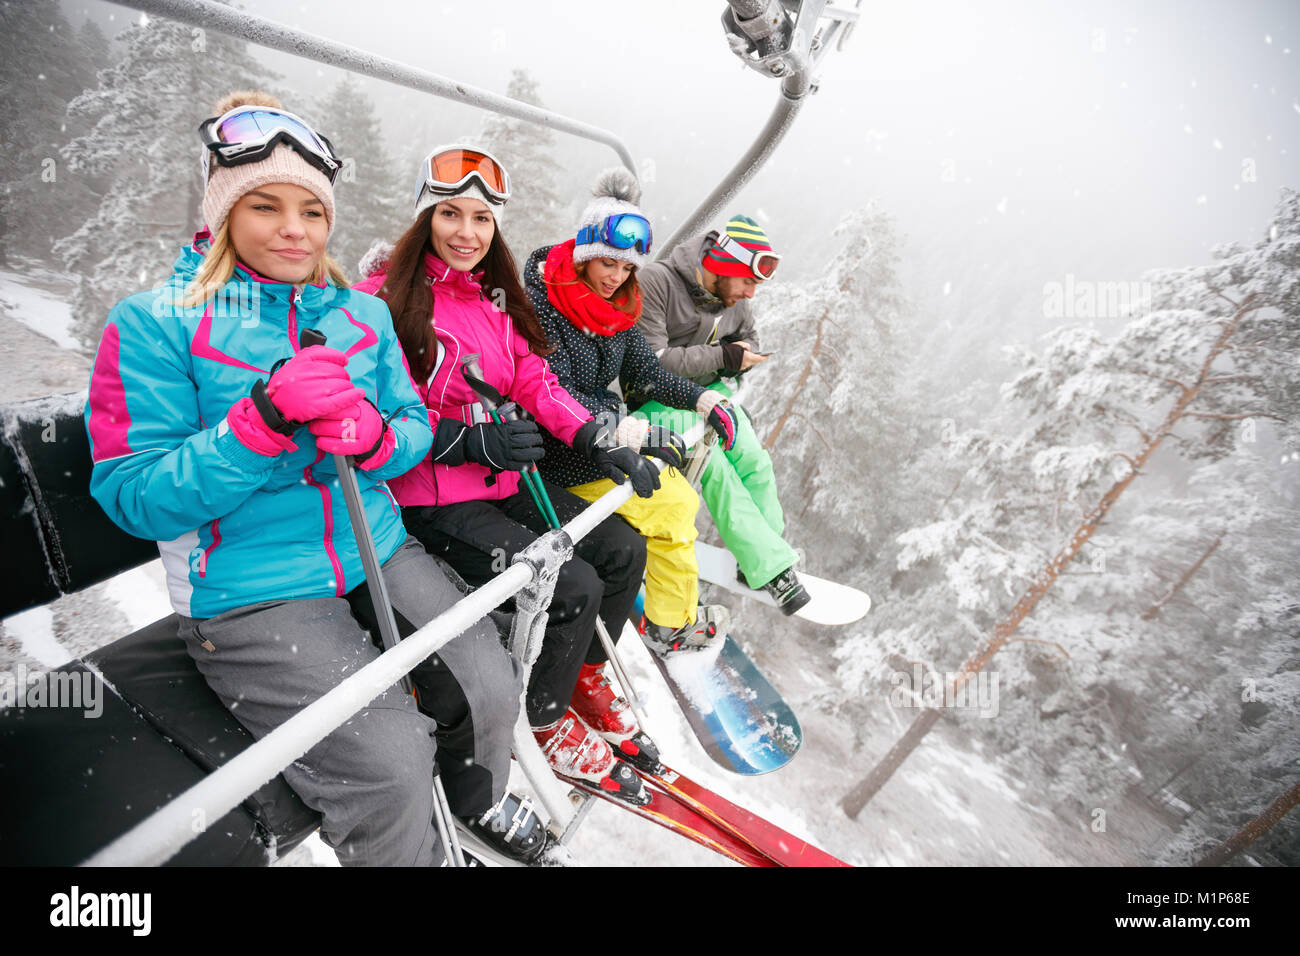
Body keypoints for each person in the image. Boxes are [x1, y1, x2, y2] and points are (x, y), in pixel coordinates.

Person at [83, 93, 528, 866]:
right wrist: (256, 426)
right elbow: (134, 492)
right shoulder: (157, 323)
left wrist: (375, 437)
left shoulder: (361, 316)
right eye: (265, 206)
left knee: (489, 684)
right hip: (248, 585)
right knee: (387, 762)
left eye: (312, 212)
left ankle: (471, 816)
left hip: (376, 545)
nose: (294, 229)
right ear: (223, 211)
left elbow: (412, 429)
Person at [353, 145, 662, 802]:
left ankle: (577, 674)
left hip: (501, 485)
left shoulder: (493, 298)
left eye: (482, 219)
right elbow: (367, 423)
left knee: (621, 547)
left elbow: (534, 377)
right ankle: (542, 717)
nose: (467, 232)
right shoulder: (381, 302)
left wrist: (596, 437)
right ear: (423, 218)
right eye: (450, 214)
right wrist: (465, 442)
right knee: (568, 580)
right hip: (427, 503)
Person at [523, 168, 741, 654]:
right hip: (563, 454)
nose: (616, 278)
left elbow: (646, 372)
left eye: (626, 269)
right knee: (673, 508)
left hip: (605, 443)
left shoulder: (615, 310)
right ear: (584, 254)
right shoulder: (543, 307)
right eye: (607, 264)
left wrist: (702, 398)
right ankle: (673, 626)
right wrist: (624, 432)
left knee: (678, 501)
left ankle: (669, 612)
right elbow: (549, 392)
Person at [634, 214, 809, 615]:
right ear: (723, 266)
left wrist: (735, 358)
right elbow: (654, 363)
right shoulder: (658, 283)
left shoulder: (736, 302)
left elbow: (748, 338)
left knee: (753, 458)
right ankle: (772, 567)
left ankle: (766, 548)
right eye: (747, 281)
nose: (749, 293)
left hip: (709, 394)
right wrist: (724, 357)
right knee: (712, 464)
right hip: (653, 399)